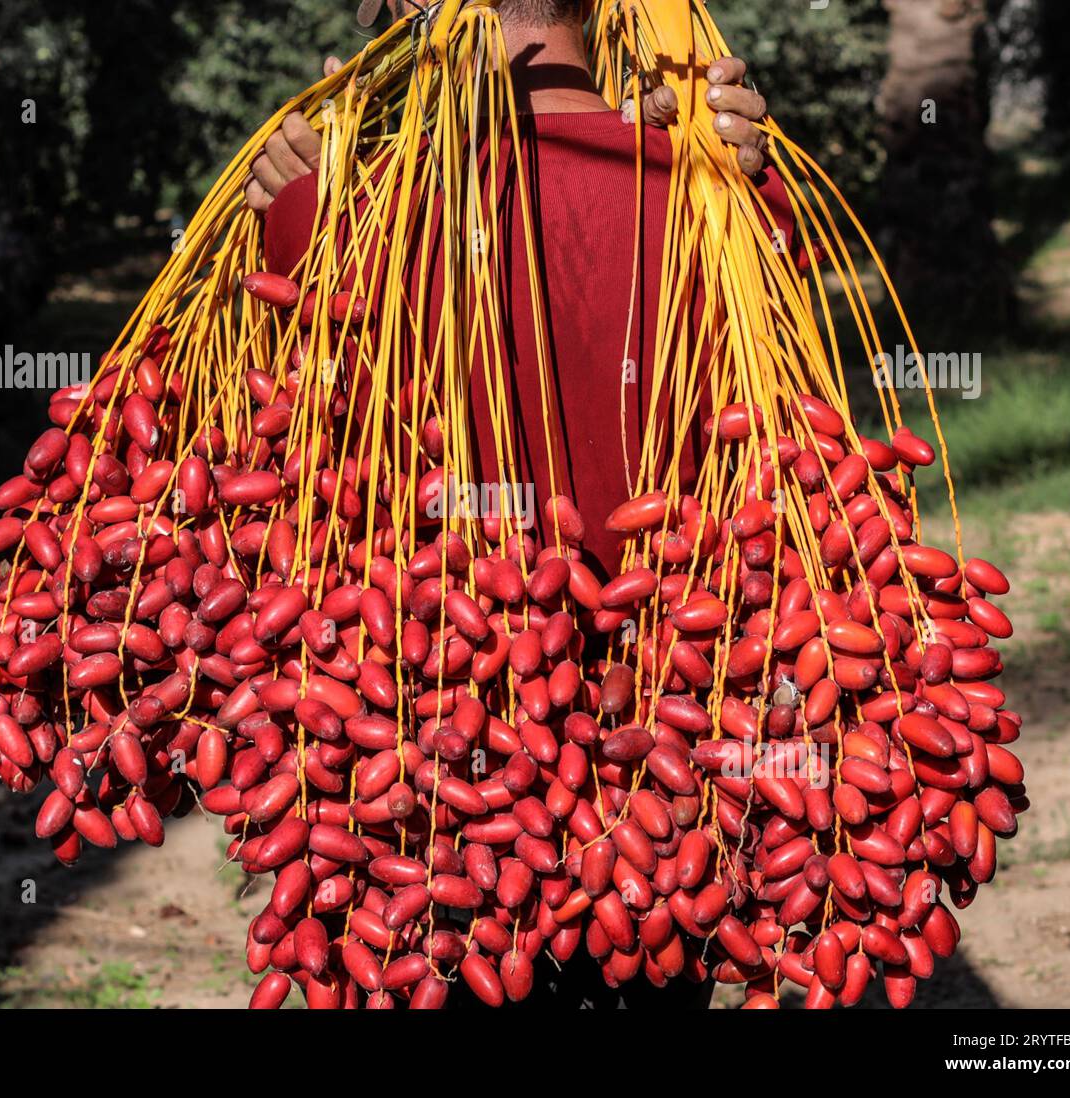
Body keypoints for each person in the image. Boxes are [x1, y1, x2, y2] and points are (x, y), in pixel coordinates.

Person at [247, 0, 799, 1008]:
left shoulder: (326, 210)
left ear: (402, 12)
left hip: (425, 796)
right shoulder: (732, 198)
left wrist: (288, 209)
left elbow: (284, 494)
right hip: (666, 807)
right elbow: (778, 474)